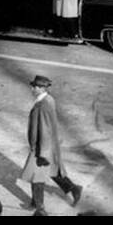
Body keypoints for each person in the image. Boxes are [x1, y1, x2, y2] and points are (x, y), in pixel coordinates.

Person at [18, 75, 82, 214]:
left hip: (42, 147)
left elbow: (45, 128)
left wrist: (42, 152)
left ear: (41, 88)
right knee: (52, 171)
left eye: (34, 86)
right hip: (46, 146)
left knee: (36, 176)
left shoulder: (44, 104)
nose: (32, 88)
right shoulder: (47, 100)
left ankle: (39, 207)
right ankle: (74, 189)